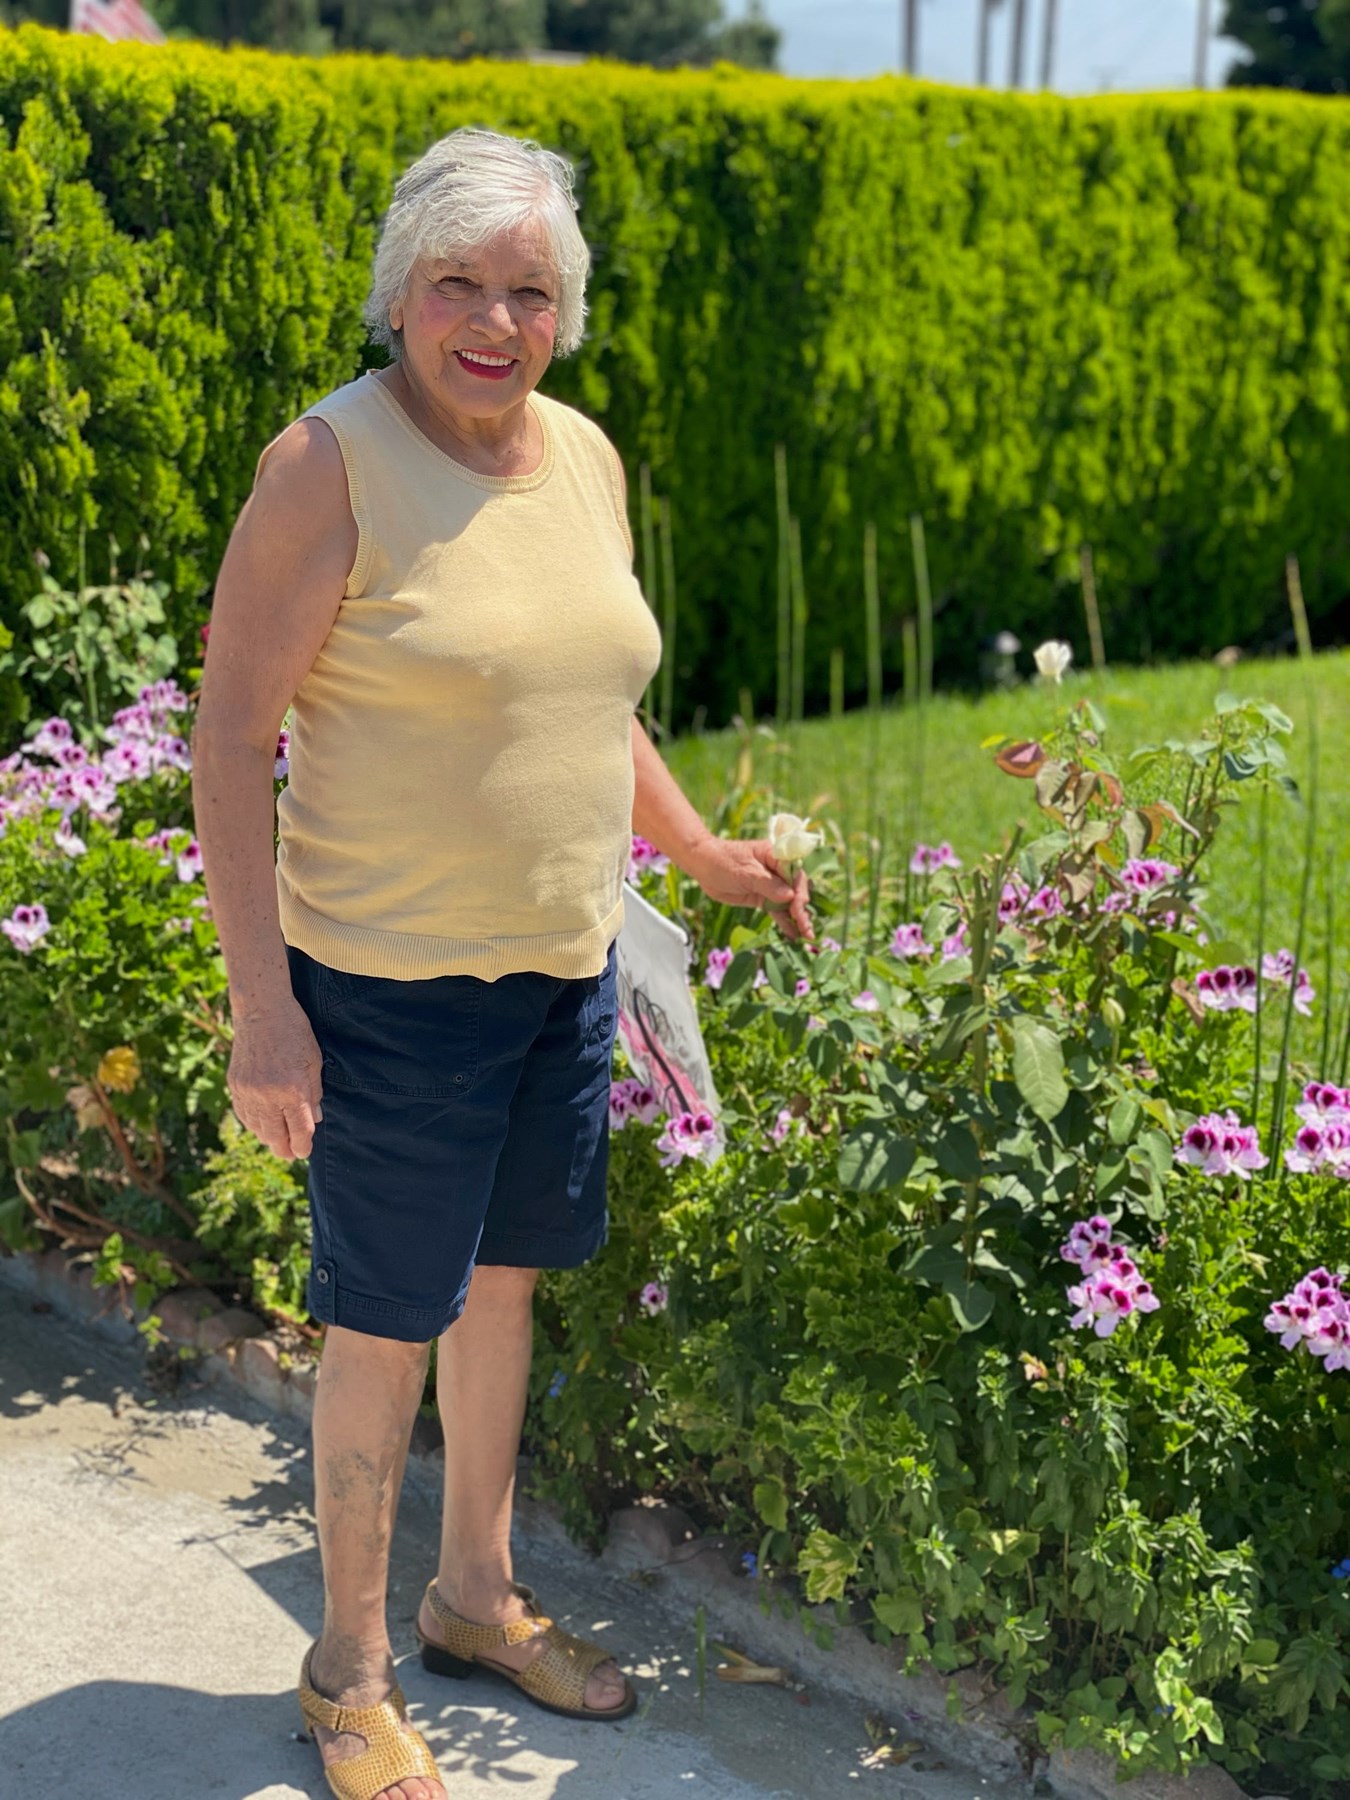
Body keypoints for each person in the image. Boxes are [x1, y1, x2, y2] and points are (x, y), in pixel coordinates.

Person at [193, 126, 812, 1800]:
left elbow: (588, 697)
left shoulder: (582, 456)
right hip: (386, 989)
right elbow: (229, 733)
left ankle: (472, 1598)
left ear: (566, 312)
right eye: (459, 281)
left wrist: (690, 852)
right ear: (401, 289)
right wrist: (266, 1015)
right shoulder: (327, 467)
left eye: (528, 290)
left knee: (504, 1286)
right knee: (383, 1320)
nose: (493, 319)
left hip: (563, 969)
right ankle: (346, 1669)